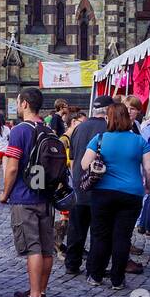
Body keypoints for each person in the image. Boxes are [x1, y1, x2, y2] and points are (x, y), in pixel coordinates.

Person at [80, 103, 150, 289]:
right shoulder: (139, 141)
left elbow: (84, 164)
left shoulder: (100, 139)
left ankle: (96, 275)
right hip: (131, 194)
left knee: (101, 235)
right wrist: (147, 186)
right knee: (122, 237)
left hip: (103, 193)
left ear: (108, 119)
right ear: (128, 119)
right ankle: (117, 279)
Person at [0, 86, 57, 297]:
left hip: (25, 196)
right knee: (46, 248)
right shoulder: (48, 129)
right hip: (46, 196)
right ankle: (40, 291)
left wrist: (4, 193)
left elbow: (12, 167)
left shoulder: (19, 130)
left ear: (24, 103)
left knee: (32, 247)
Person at [64, 95, 112, 275]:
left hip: (79, 185)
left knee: (76, 228)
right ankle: (94, 266)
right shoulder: (110, 129)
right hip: (101, 186)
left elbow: (73, 158)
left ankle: (72, 264)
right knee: (99, 231)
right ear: (109, 111)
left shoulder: (79, 127)